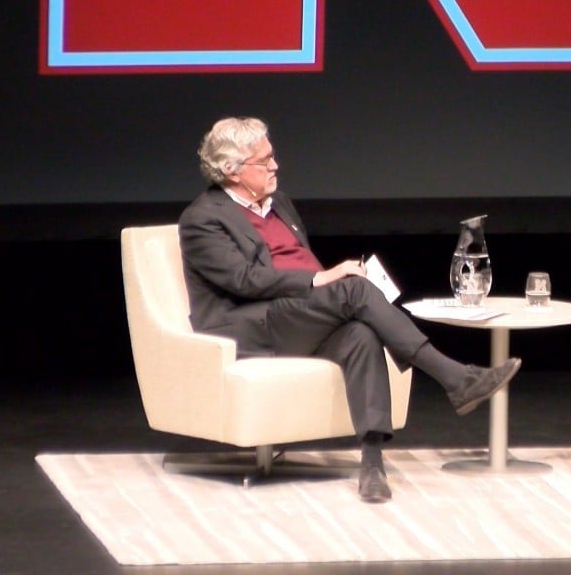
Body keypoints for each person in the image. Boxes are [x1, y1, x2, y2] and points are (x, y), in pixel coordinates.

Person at [179, 117, 521, 503]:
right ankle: (453, 377)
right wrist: (321, 282)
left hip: (297, 313)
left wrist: (324, 282)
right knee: (354, 291)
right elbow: (243, 280)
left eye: (273, 156)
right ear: (232, 170)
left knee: (362, 334)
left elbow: (300, 261)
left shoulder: (280, 204)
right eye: (264, 161)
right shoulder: (203, 218)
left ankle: (372, 465)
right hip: (248, 323)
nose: (275, 166)